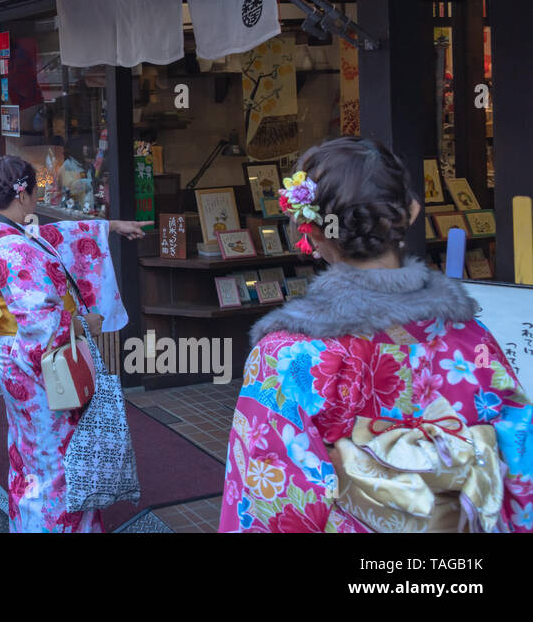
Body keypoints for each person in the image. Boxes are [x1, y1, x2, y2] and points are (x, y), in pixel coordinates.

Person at [221, 137, 532, 533]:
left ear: (311, 231)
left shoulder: (288, 356)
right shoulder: (471, 339)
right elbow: (521, 460)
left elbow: (271, 501)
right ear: (413, 211)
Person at [0, 155, 147, 532]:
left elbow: (56, 235)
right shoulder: (15, 249)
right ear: (23, 193)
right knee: (55, 465)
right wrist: (84, 323)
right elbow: (41, 328)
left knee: (28, 454)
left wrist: (110, 226)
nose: (37, 198)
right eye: (34, 190)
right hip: (35, 364)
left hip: (12, 357)